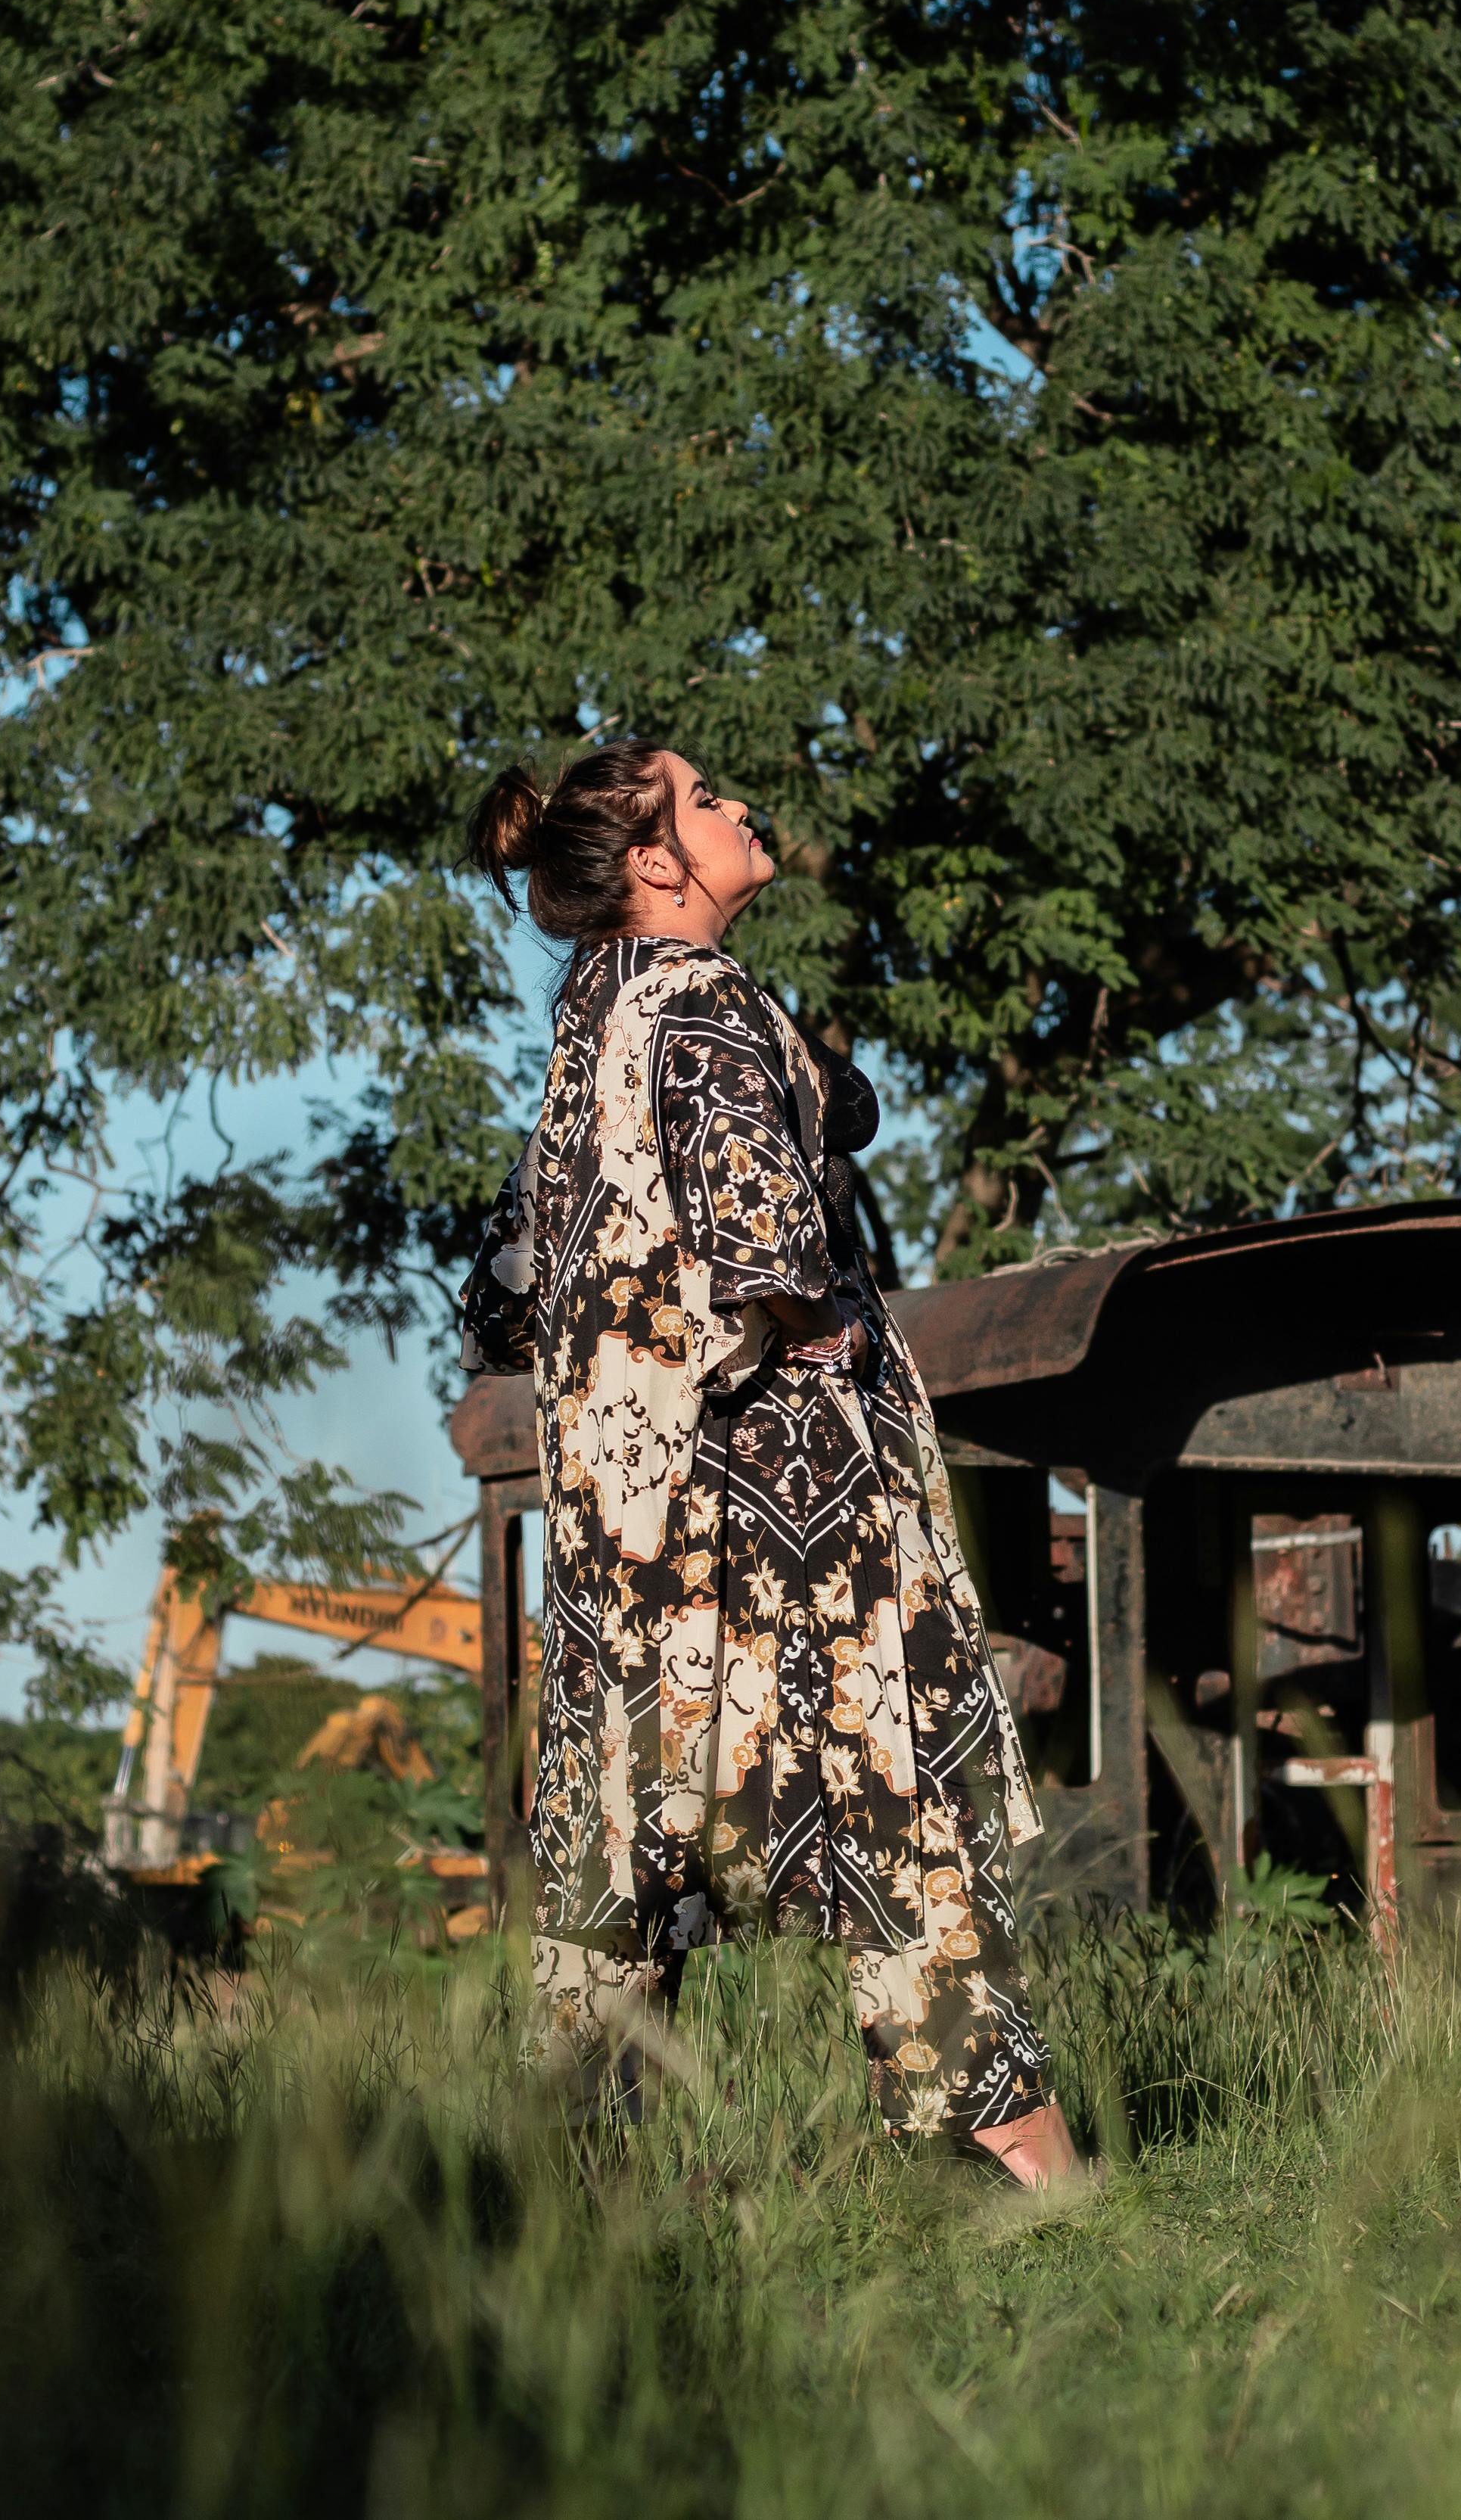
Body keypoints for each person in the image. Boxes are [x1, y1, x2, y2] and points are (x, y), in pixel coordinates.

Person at [459, 739, 1080, 2189]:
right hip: (787, 1500)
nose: (739, 805)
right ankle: (1031, 2185)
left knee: (626, 1858)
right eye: (703, 798)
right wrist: (816, 1335)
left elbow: (496, 1296)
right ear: (656, 866)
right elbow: (771, 1249)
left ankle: (570, 2206)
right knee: (902, 1814)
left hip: (631, 1530)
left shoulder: (589, 1033)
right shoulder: (708, 1005)